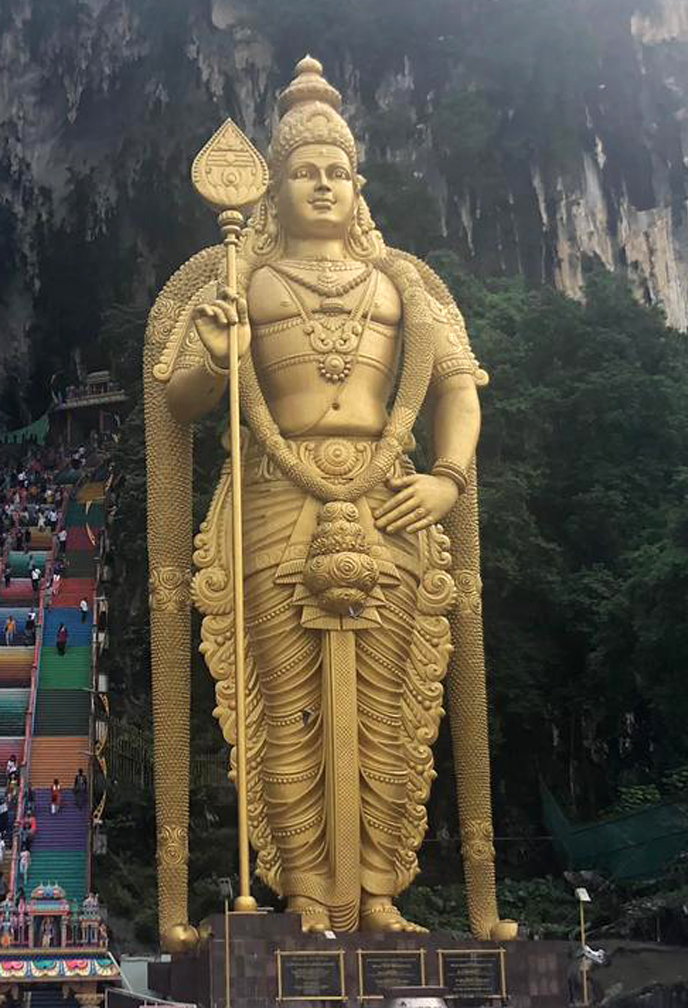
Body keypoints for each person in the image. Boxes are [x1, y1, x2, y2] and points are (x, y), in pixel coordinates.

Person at [146, 58, 502, 940]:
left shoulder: (404, 286)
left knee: (391, 707)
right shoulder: (240, 281)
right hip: (273, 497)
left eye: (335, 171)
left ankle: (379, 894)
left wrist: (445, 477)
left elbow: (459, 389)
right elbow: (180, 400)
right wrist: (221, 352)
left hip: (391, 501)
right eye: (303, 170)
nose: (320, 184)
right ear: (274, 182)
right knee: (283, 702)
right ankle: (305, 894)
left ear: (358, 183)